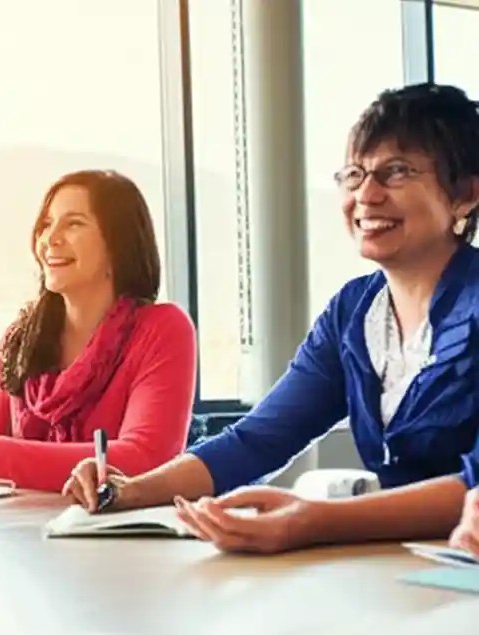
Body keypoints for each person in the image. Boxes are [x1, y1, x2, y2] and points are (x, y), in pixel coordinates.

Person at [63, 83, 479, 555]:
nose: (367, 194)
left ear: (464, 193)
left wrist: (313, 520)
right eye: (355, 174)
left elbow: (475, 481)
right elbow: (256, 440)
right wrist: (127, 490)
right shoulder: (353, 314)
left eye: (397, 172)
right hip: (408, 574)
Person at [0, 171, 197, 490]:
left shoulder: (163, 328)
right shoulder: (20, 339)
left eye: (74, 223)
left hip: (116, 535)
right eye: (46, 224)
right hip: (21, 533)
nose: (50, 239)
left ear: (118, 243)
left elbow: (145, 460)